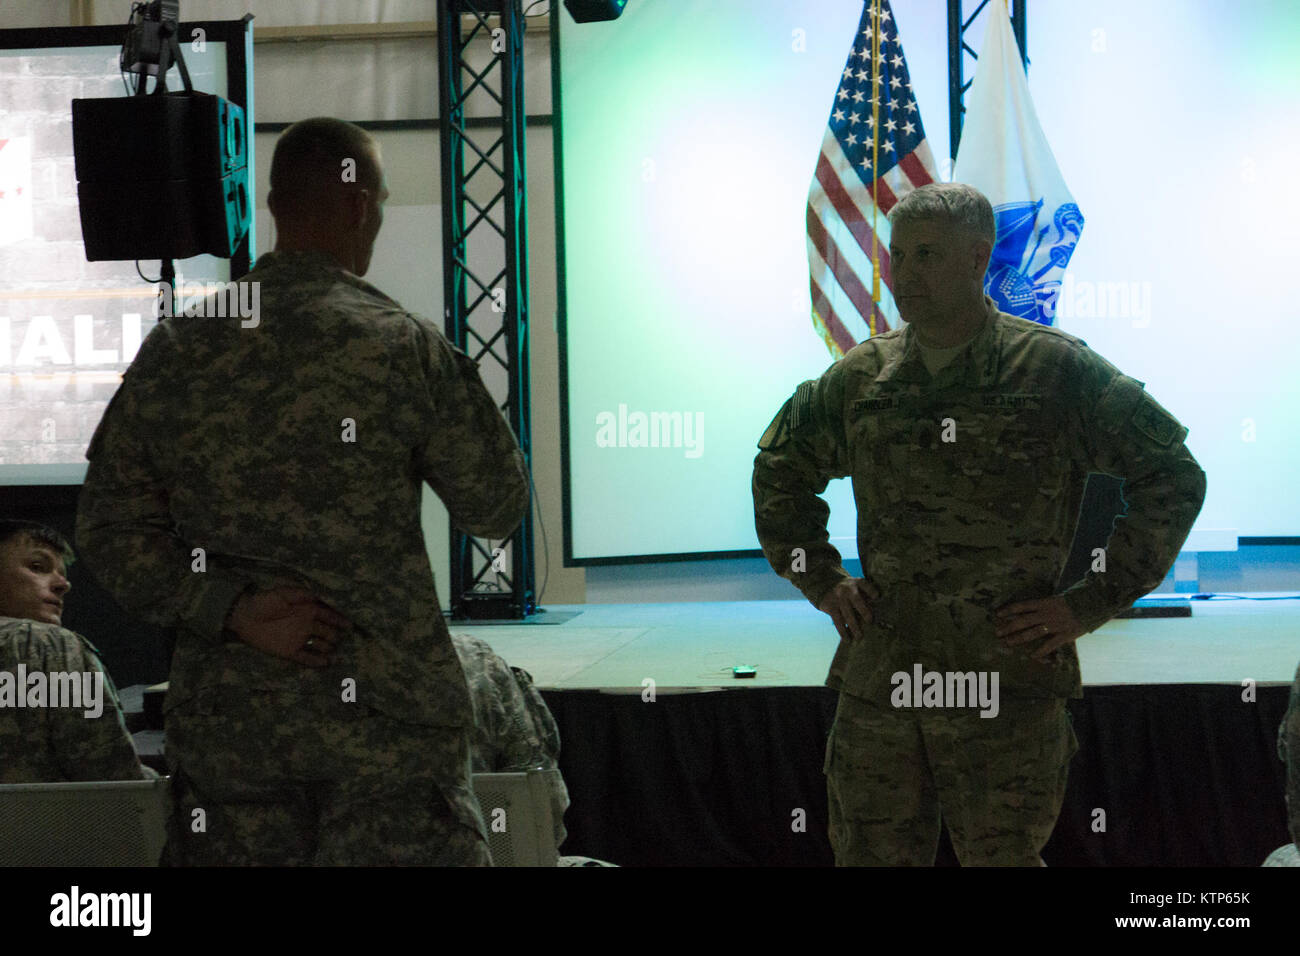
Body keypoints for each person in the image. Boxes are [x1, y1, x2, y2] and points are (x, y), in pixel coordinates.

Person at [75, 117, 530, 865]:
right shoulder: (402, 345)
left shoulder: (178, 348)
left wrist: (233, 608)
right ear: (359, 206)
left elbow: (108, 532)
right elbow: (495, 506)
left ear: (273, 205)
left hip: (235, 735)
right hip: (389, 739)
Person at [752, 182, 1206, 866]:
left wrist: (1088, 602)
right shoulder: (863, 379)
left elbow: (1172, 475)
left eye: (927, 256)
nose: (905, 276)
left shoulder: (1053, 372)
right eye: (897, 256)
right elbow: (778, 472)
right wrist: (824, 581)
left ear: (977, 258)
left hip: (1006, 684)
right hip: (885, 682)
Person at [0, 519, 153, 783]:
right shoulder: (52, 645)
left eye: (62, 574)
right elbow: (115, 782)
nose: (63, 585)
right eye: (38, 567)